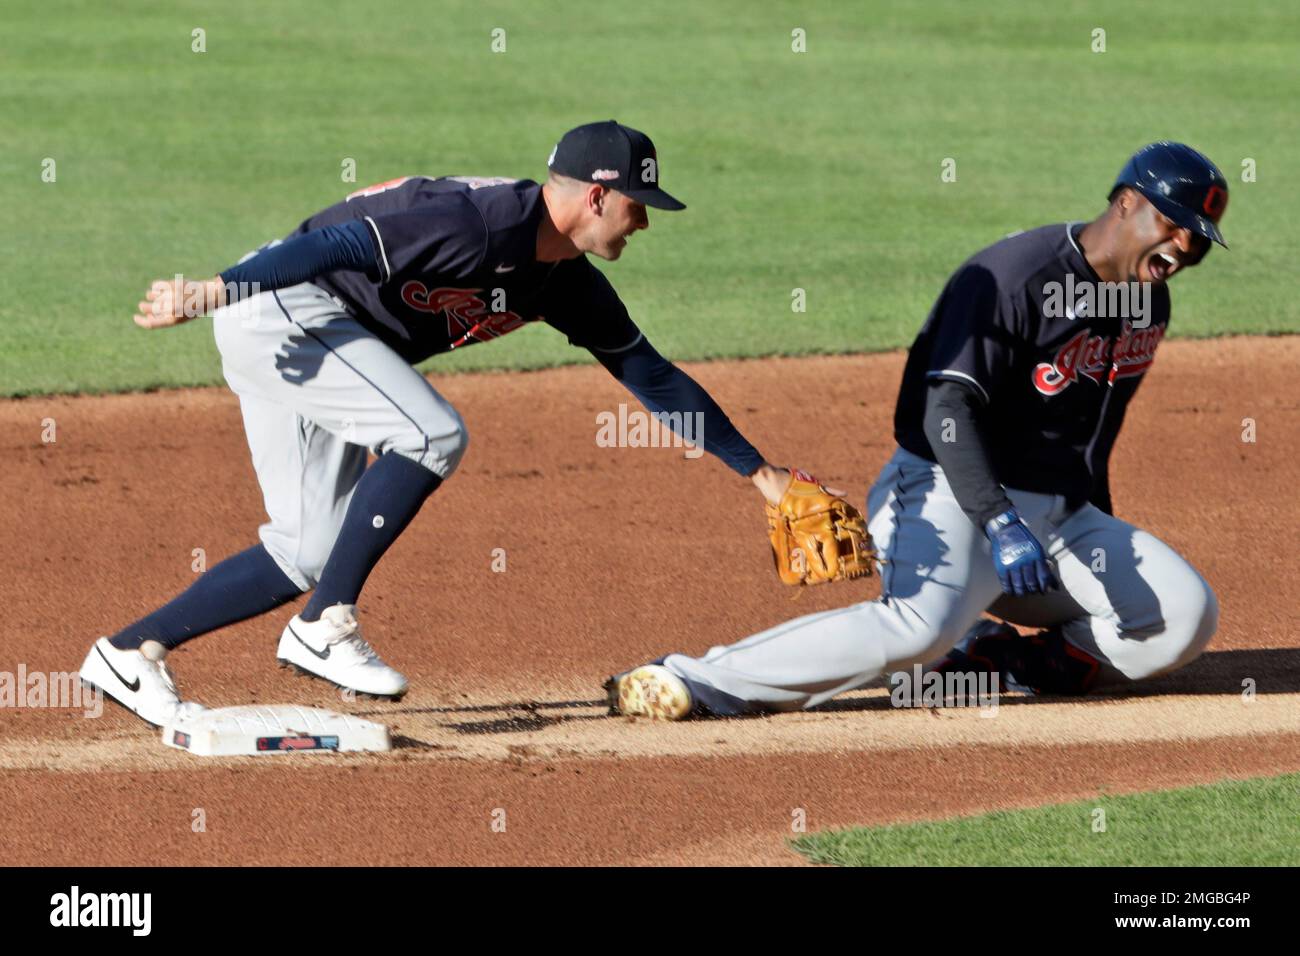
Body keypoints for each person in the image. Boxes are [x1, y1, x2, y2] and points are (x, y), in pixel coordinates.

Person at [79, 120, 799, 727]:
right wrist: (213, 290)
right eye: (637, 205)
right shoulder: (480, 222)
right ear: (598, 196)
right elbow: (337, 247)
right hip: (285, 308)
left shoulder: (567, 280)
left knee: (307, 547)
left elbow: (652, 375)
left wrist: (764, 477)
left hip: (317, 336)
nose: (643, 221)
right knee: (431, 433)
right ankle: (325, 625)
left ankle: (132, 652)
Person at [607, 142, 1228, 720]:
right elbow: (946, 407)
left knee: (1182, 615)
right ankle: (696, 679)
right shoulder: (1019, 275)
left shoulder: (1149, 302)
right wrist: (998, 519)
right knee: (916, 629)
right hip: (949, 495)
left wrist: (1097, 523)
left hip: (1058, 523)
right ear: (1126, 203)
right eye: (1171, 225)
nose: (1183, 247)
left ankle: (997, 662)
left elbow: (1097, 427)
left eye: (1196, 239)